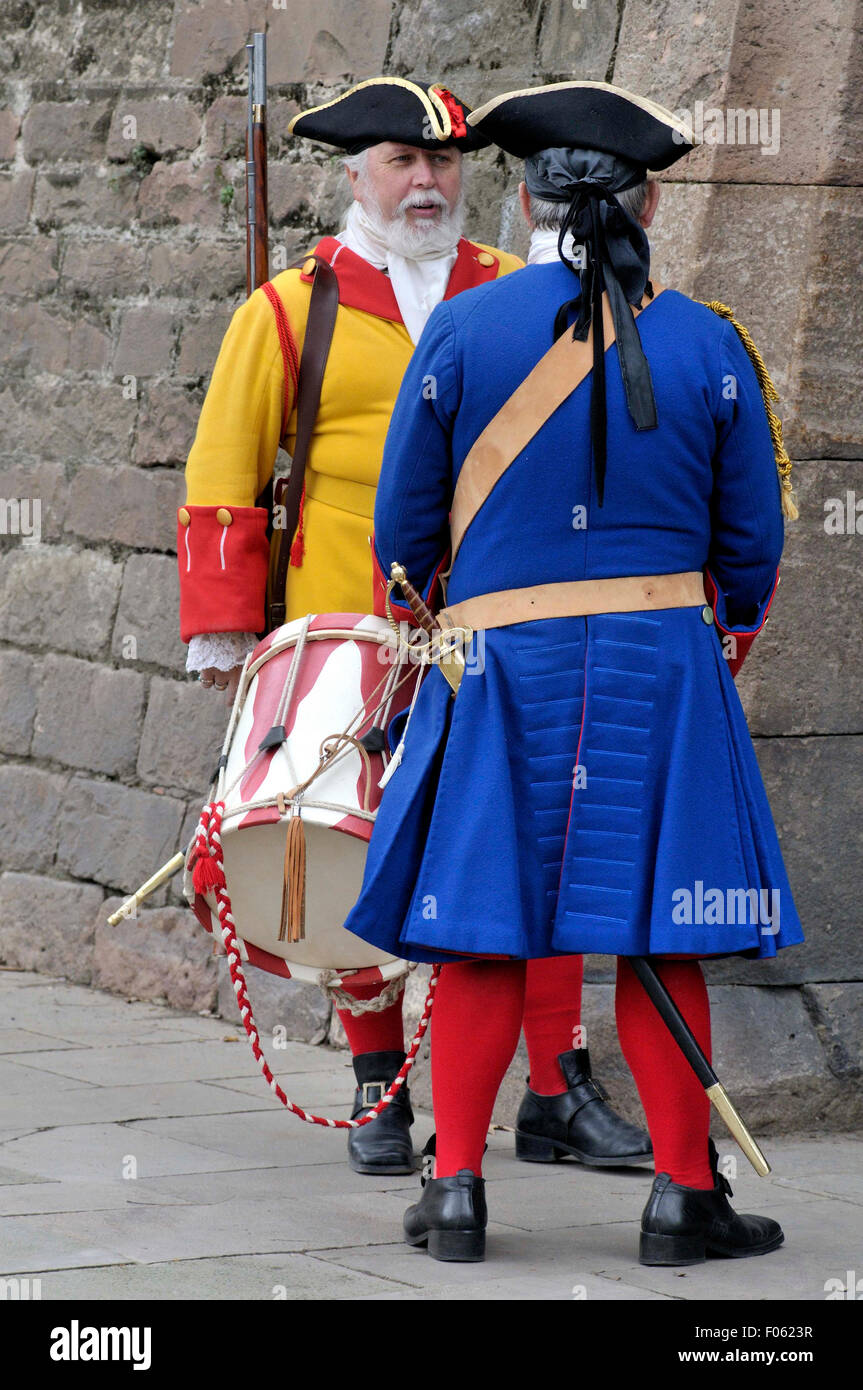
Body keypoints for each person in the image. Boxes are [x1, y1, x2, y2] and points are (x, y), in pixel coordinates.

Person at [341, 79, 804, 1264]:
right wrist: (718, 641)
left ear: (523, 192)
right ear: (647, 196)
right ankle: (678, 1198)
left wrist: (446, 618)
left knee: (487, 932)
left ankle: (453, 1194)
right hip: (660, 671)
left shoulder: (461, 329)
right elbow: (749, 544)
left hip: (494, 669)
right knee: (664, 936)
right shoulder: (706, 341)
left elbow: (400, 536)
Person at [177, 76, 651, 1178]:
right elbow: (223, 476)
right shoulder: (290, 307)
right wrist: (226, 632)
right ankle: (374, 1077)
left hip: (496, 620)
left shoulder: (515, 287)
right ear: (355, 177)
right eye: (402, 160)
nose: (427, 180)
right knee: (351, 845)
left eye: (443, 162)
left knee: (533, 852)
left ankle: (552, 1087)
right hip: (348, 621)